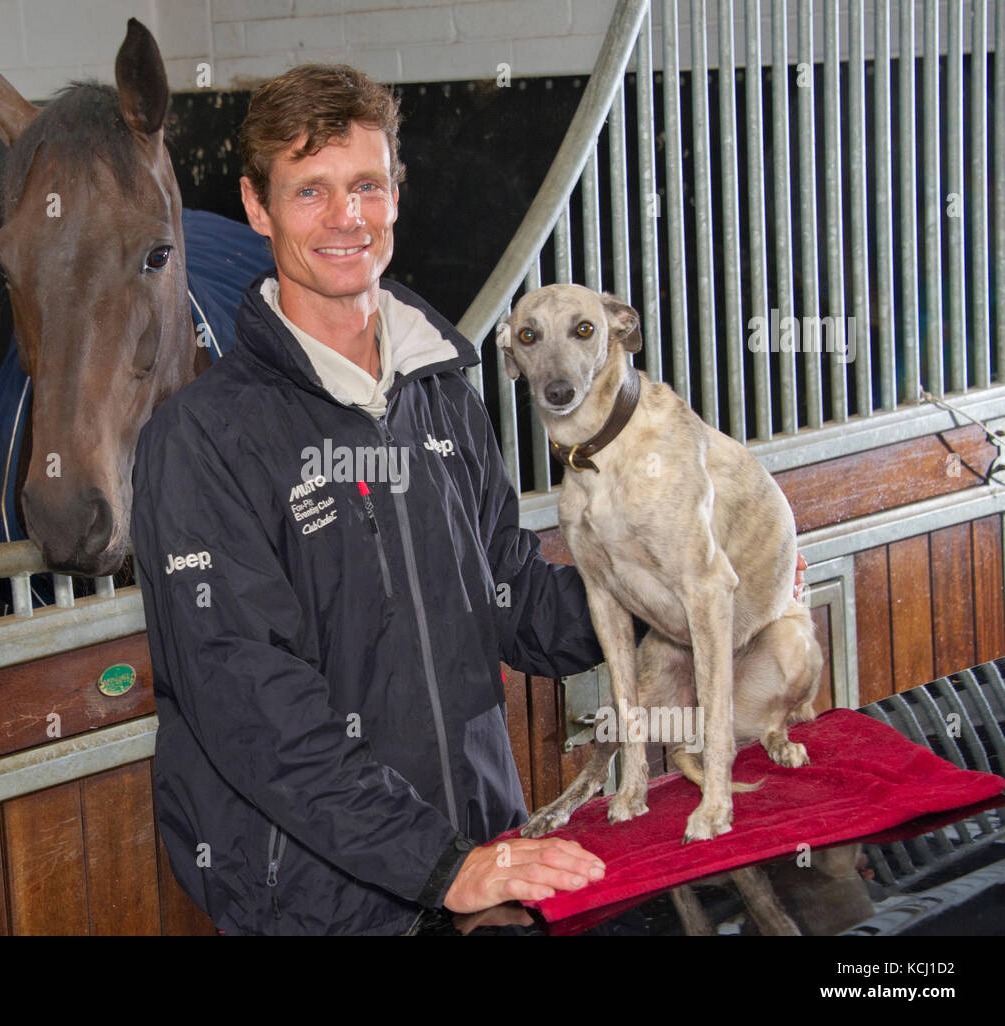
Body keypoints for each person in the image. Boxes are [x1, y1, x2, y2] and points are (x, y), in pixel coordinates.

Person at [129, 64, 797, 936]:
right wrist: (440, 866)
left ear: (395, 195)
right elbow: (250, 704)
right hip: (321, 904)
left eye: (367, 185)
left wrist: (693, 586)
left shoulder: (440, 389)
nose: (347, 218)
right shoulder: (201, 441)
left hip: (485, 868)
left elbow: (510, 592)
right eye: (311, 192)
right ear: (257, 208)